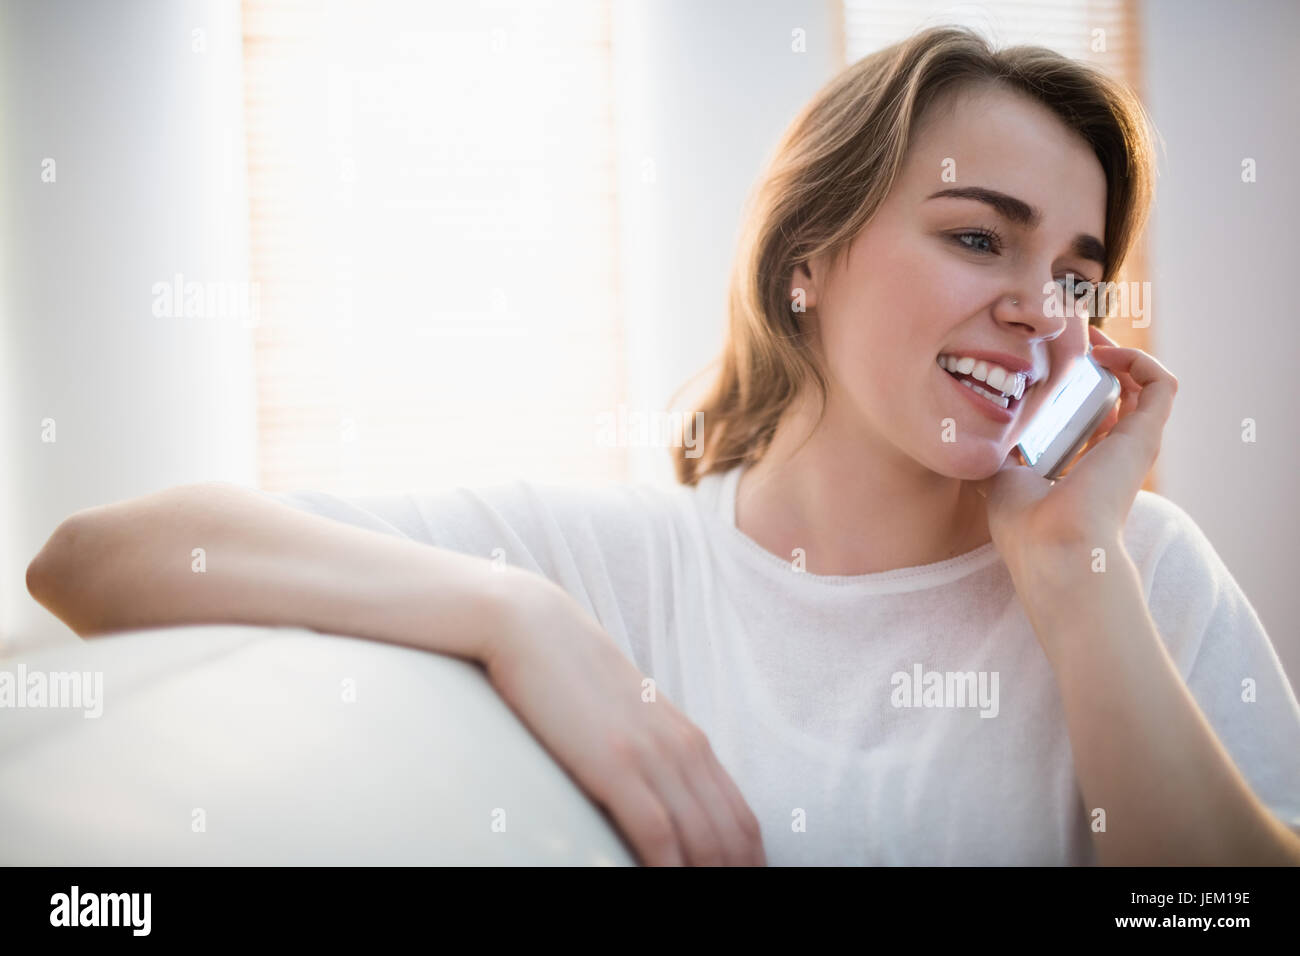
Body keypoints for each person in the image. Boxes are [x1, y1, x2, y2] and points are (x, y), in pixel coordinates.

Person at [27, 25, 1300, 867]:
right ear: (810, 259)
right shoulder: (613, 561)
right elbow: (97, 557)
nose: (1040, 308)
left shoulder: (1133, 570)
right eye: (979, 237)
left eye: (1076, 274)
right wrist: (515, 611)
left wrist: (1076, 577)